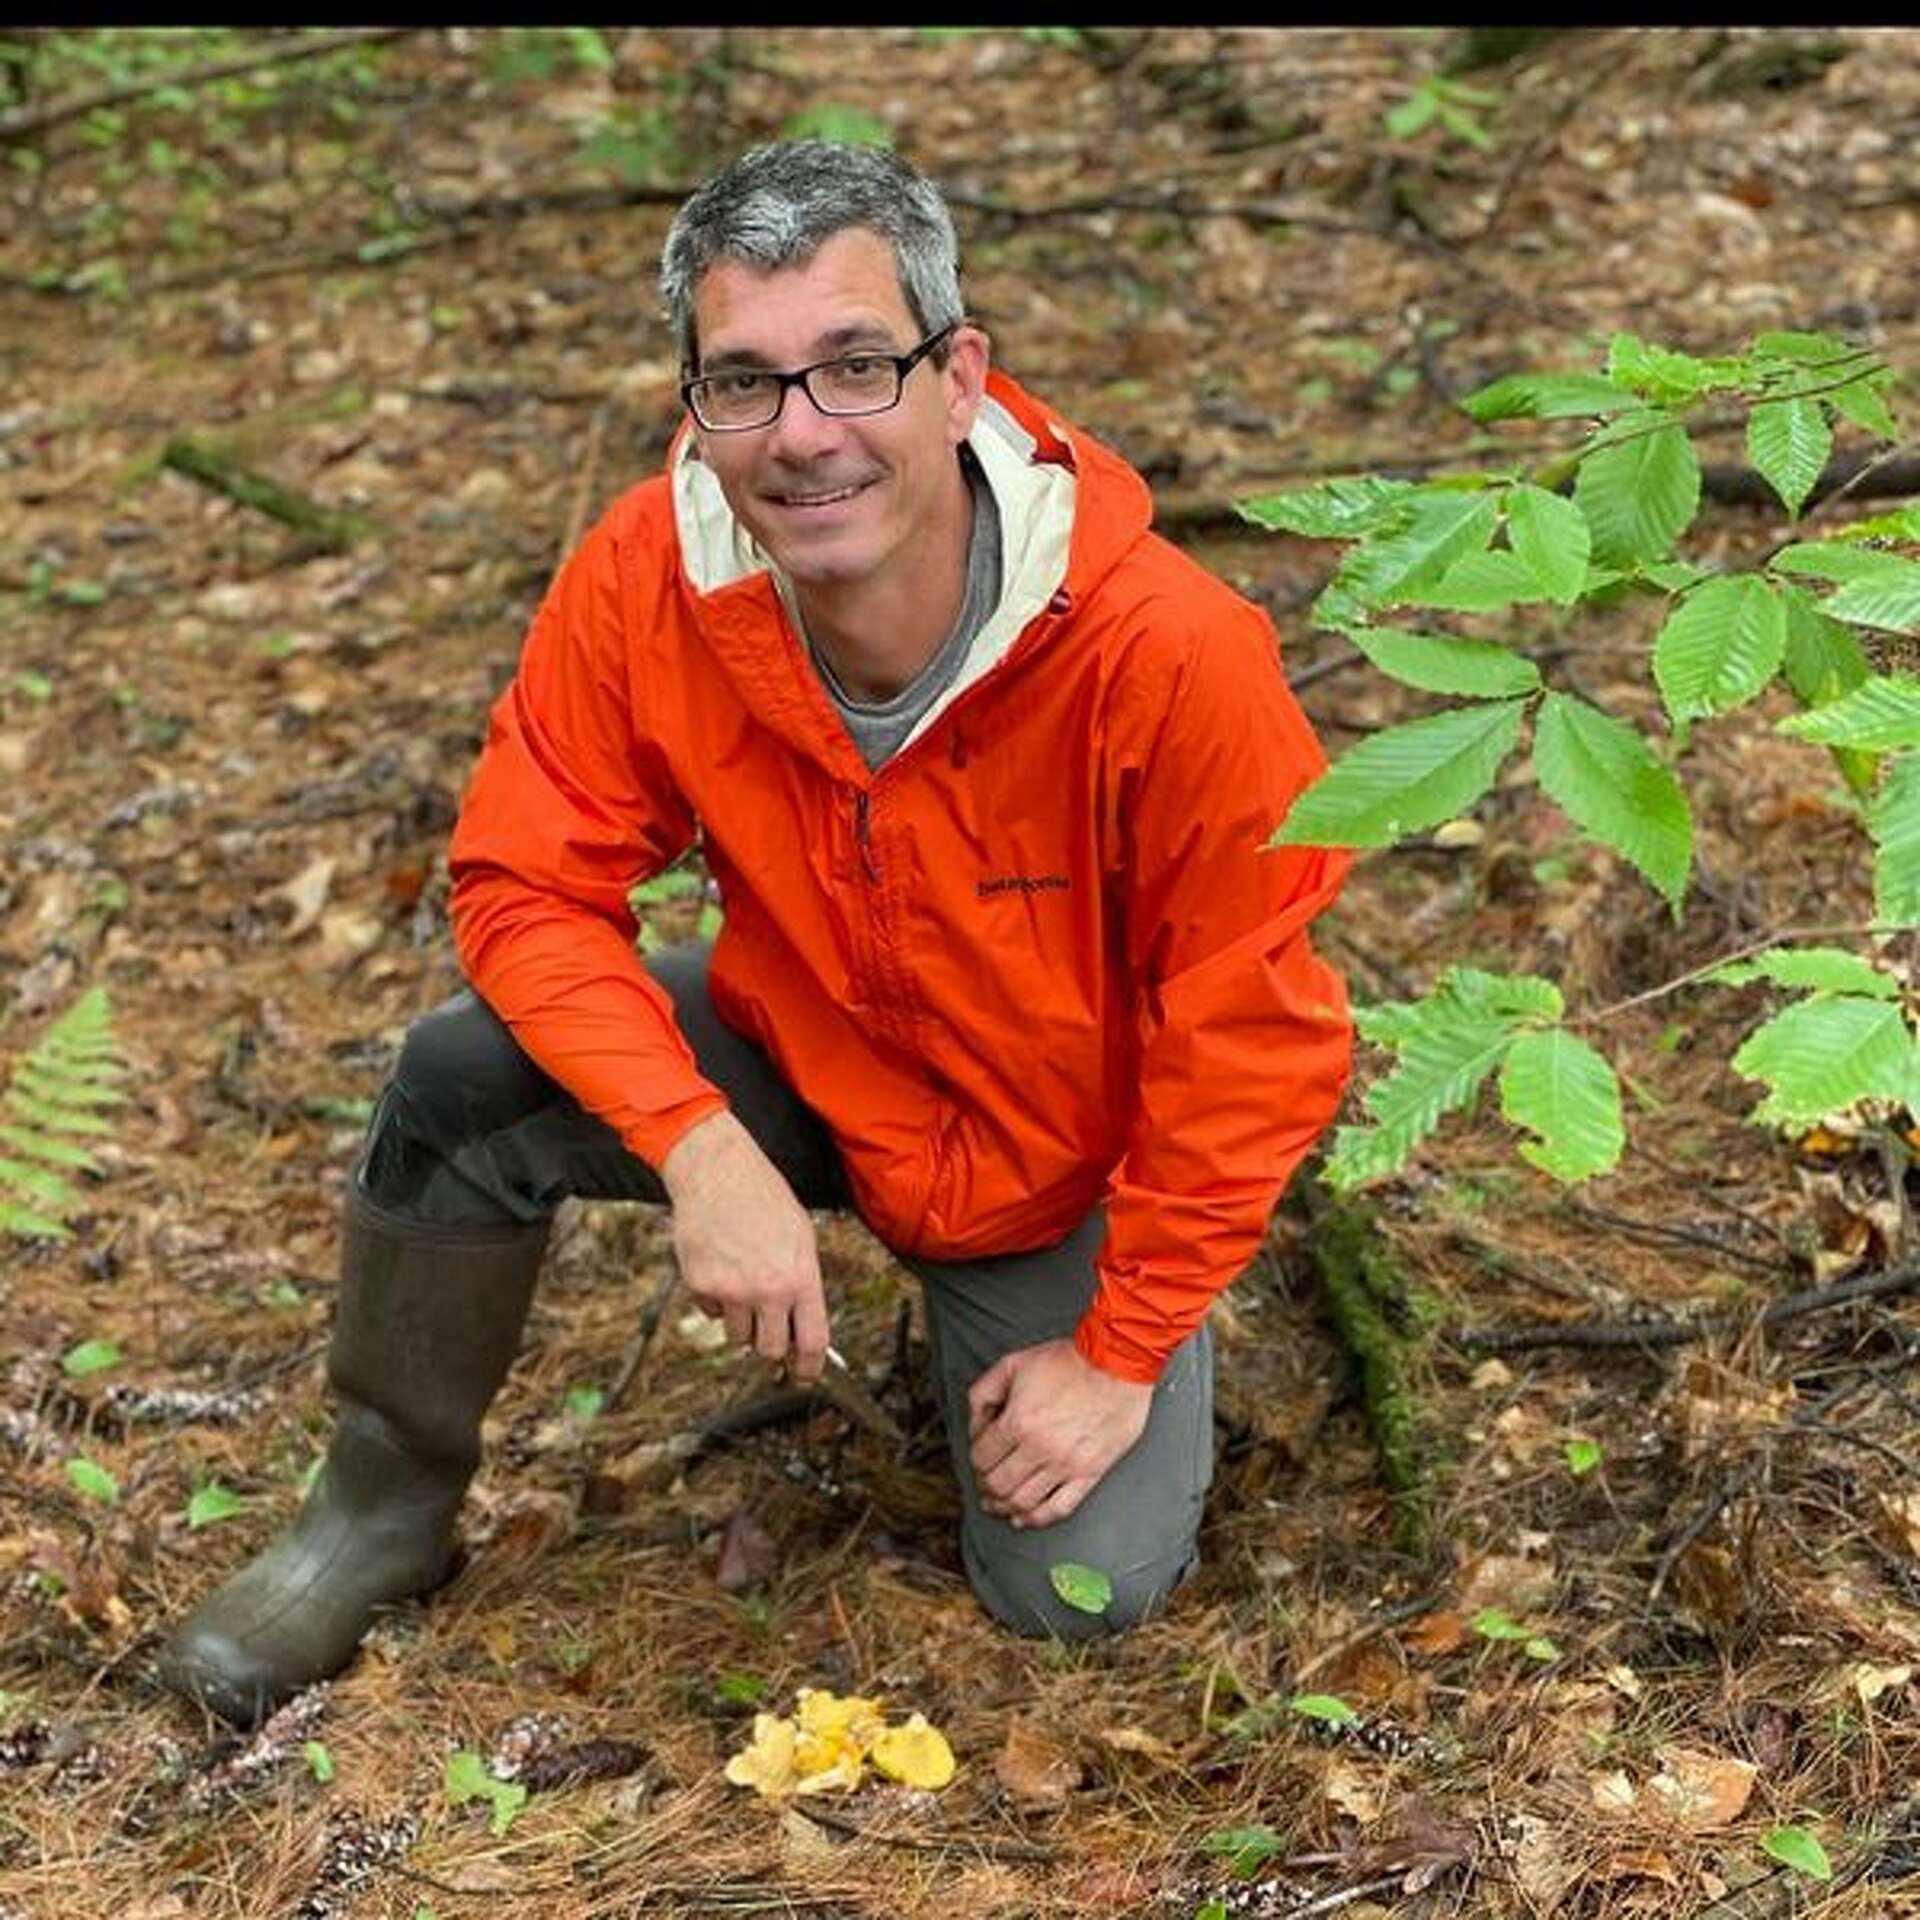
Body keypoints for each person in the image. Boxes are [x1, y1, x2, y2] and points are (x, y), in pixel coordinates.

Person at [158, 139, 1353, 1727]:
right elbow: (523, 881)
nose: (802, 435)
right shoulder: (656, 578)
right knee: (461, 1081)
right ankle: (376, 1516)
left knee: (1082, 1595)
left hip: (1057, 1154)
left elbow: (1255, 1030)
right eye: (744, 382)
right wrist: (698, 1144)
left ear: (958, 378)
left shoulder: (1167, 652)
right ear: (698, 402)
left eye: (857, 366)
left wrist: (1122, 1350)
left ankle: (1060, 1344)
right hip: (812, 1047)